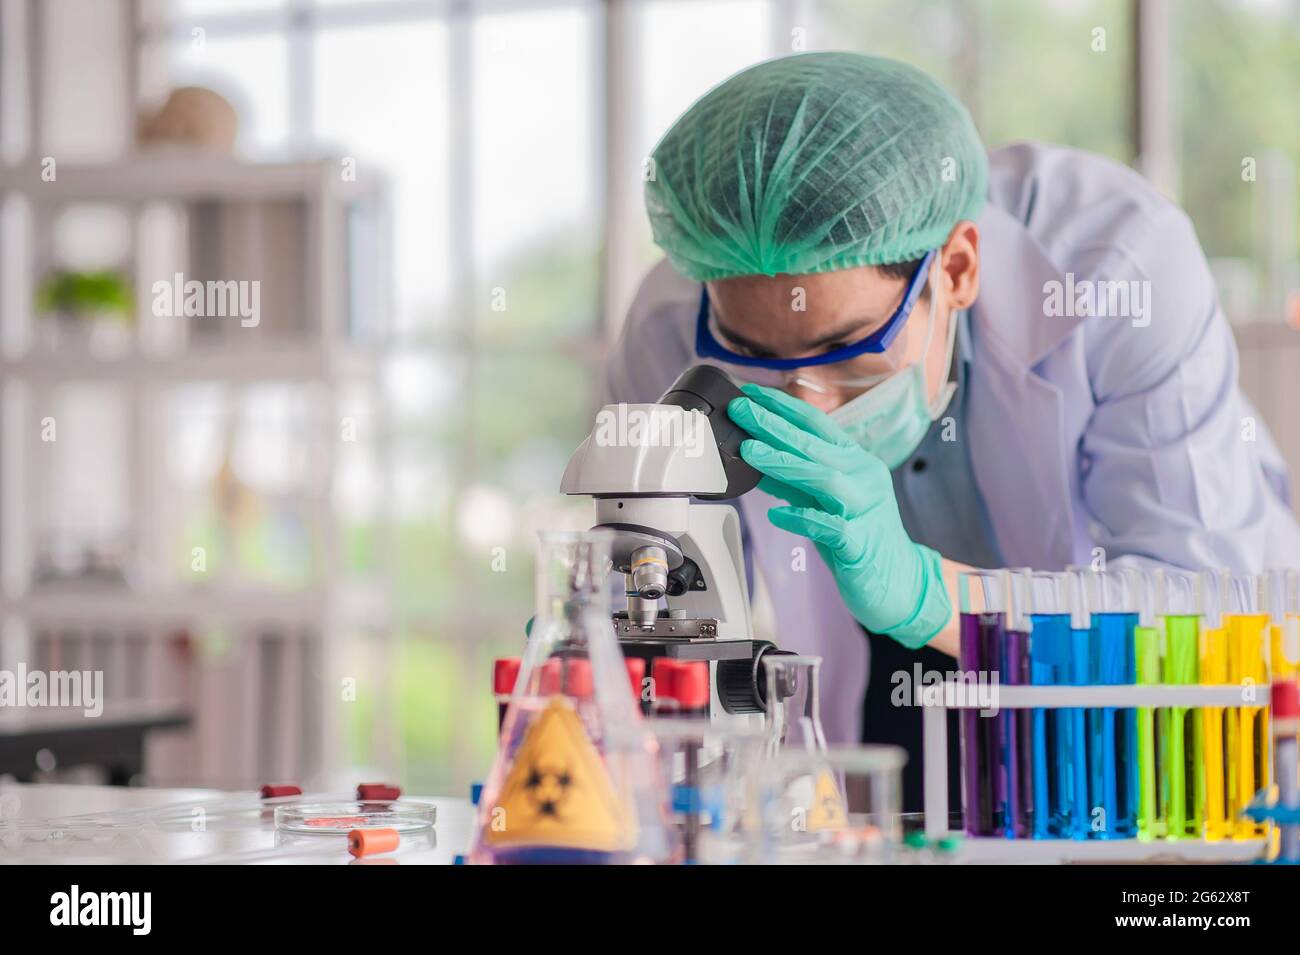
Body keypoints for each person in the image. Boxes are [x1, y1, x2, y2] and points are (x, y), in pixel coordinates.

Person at [601, 52, 1300, 808]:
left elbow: (1200, 613)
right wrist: (619, 649)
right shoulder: (676, 324)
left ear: (958, 269)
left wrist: (928, 597)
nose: (809, 399)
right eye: (759, 356)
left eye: (849, 347)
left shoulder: (1118, 266)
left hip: (1154, 722)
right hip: (881, 717)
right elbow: (664, 625)